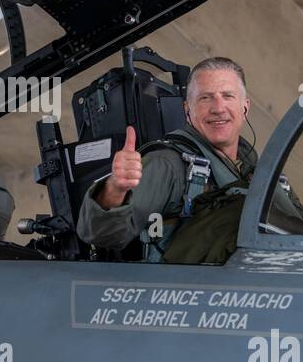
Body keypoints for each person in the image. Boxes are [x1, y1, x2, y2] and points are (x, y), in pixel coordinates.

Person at [76, 57, 258, 262]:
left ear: (245, 107)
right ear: (187, 110)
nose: (218, 107)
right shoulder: (166, 165)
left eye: (228, 96)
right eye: (205, 98)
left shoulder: (257, 170)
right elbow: (100, 234)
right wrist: (114, 190)